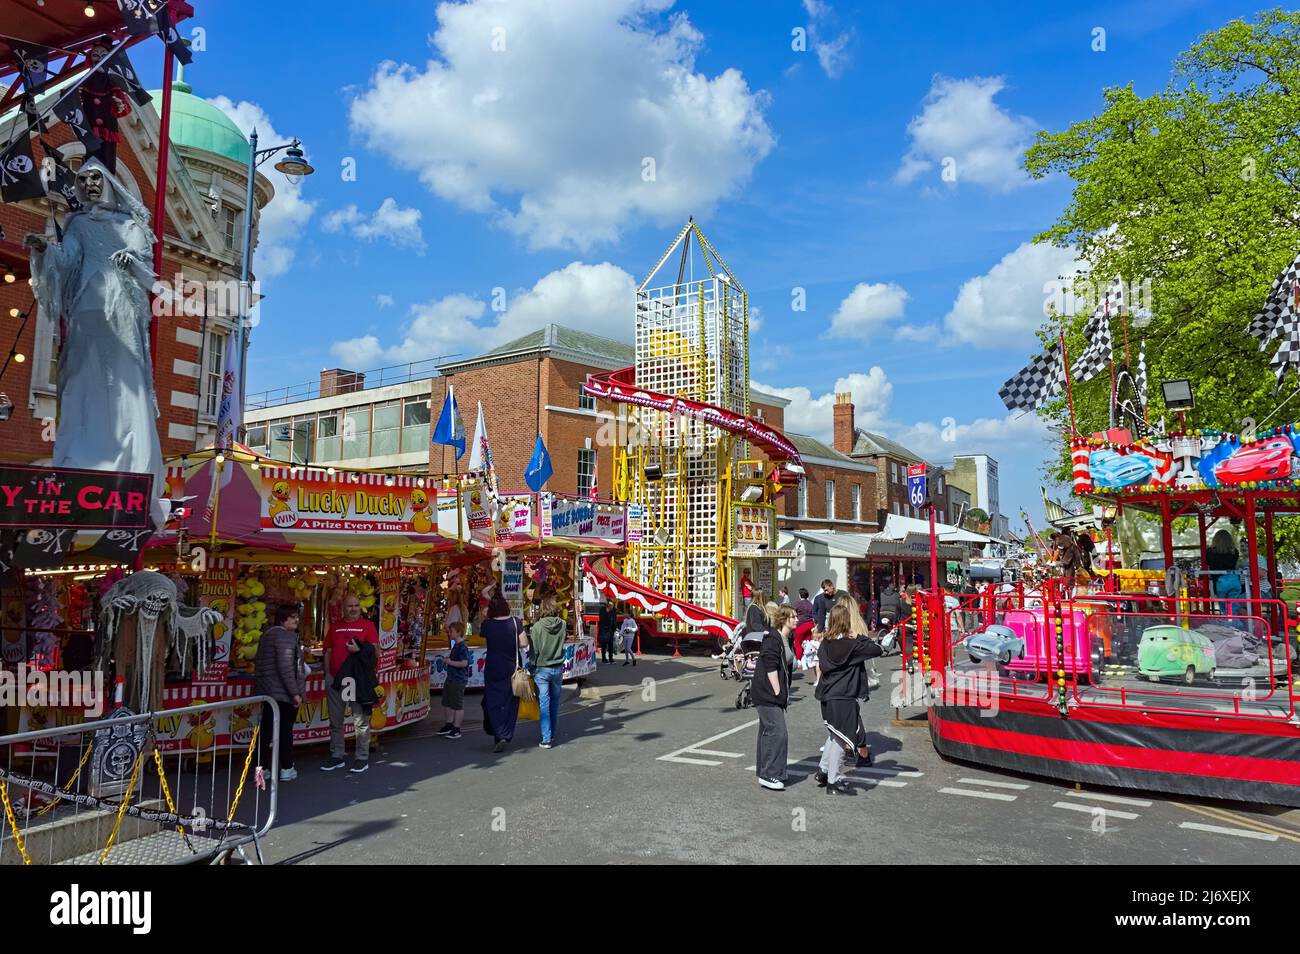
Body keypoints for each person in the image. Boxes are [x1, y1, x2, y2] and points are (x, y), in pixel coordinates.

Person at [815, 604, 883, 795]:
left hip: (827, 694)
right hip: (843, 695)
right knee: (840, 737)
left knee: (833, 733)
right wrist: (858, 636)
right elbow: (877, 649)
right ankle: (833, 781)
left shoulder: (825, 644)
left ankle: (823, 769)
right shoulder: (853, 645)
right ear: (847, 622)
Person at [321, 594, 380, 774]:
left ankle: (361, 758)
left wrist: (360, 648)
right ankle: (337, 755)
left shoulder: (367, 626)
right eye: (349, 606)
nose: (353, 608)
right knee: (335, 721)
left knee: (360, 721)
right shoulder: (335, 627)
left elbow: (376, 652)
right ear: (343, 607)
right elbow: (328, 651)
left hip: (356, 680)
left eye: (356, 605)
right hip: (335, 680)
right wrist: (327, 675)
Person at [254, 604, 305, 782]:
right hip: (283, 694)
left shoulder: (267, 635)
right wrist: (295, 693)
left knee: (266, 733)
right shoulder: (286, 637)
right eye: (292, 617)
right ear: (283, 619)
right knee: (284, 732)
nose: (296, 620)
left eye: (297, 616)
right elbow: (286, 668)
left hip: (268, 691)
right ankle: (287, 768)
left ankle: (260, 772)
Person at [754, 606, 796, 791]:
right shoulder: (772, 638)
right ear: (784, 619)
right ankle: (769, 774)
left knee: (768, 731)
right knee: (777, 732)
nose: (797, 619)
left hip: (772, 693)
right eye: (793, 617)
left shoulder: (786, 638)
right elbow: (770, 666)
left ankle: (774, 772)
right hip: (767, 693)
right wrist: (778, 691)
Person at [480, 594, 527, 752]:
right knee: (511, 702)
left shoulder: (487, 625)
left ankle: (498, 733)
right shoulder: (516, 622)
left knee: (492, 701)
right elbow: (524, 643)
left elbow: (483, 625)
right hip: (512, 667)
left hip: (493, 667)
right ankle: (505, 733)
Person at [525, 596, 568, 749]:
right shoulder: (563, 624)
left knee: (543, 704)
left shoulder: (536, 627)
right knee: (555, 703)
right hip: (557, 668)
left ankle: (546, 737)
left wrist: (530, 668)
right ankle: (551, 733)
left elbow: (534, 651)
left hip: (542, 669)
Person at [436, 621, 470, 740]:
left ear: (459, 632)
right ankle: (449, 724)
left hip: (458, 679)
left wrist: (450, 662)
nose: (449, 633)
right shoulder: (456, 645)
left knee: (457, 704)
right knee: (447, 702)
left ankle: (457, 728)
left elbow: (464, 663)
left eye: (452, 631)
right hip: (451, 678)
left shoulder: (462, 646)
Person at [793, 587, 815, 660]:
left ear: (800, 595)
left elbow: (792, 611)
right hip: (811, 624)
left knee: (797, 642)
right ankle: (808, 658)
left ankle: (799, 659)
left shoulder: (798, 604)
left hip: (802, 625)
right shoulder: (810, 603)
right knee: (807, 642)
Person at [596, 598, 618, 665]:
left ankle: (611, 659)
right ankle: (604, 659)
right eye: (610, 605)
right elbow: (601, 619)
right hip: (604, 630)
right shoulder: (603, 610)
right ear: (607, 605)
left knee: (610, 645)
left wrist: (615, 627)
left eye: (612, 605)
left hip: (611, 630)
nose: (611, 606)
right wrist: (607, 612)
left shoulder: (613, 611)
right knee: (604, 645)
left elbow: (614, 619)